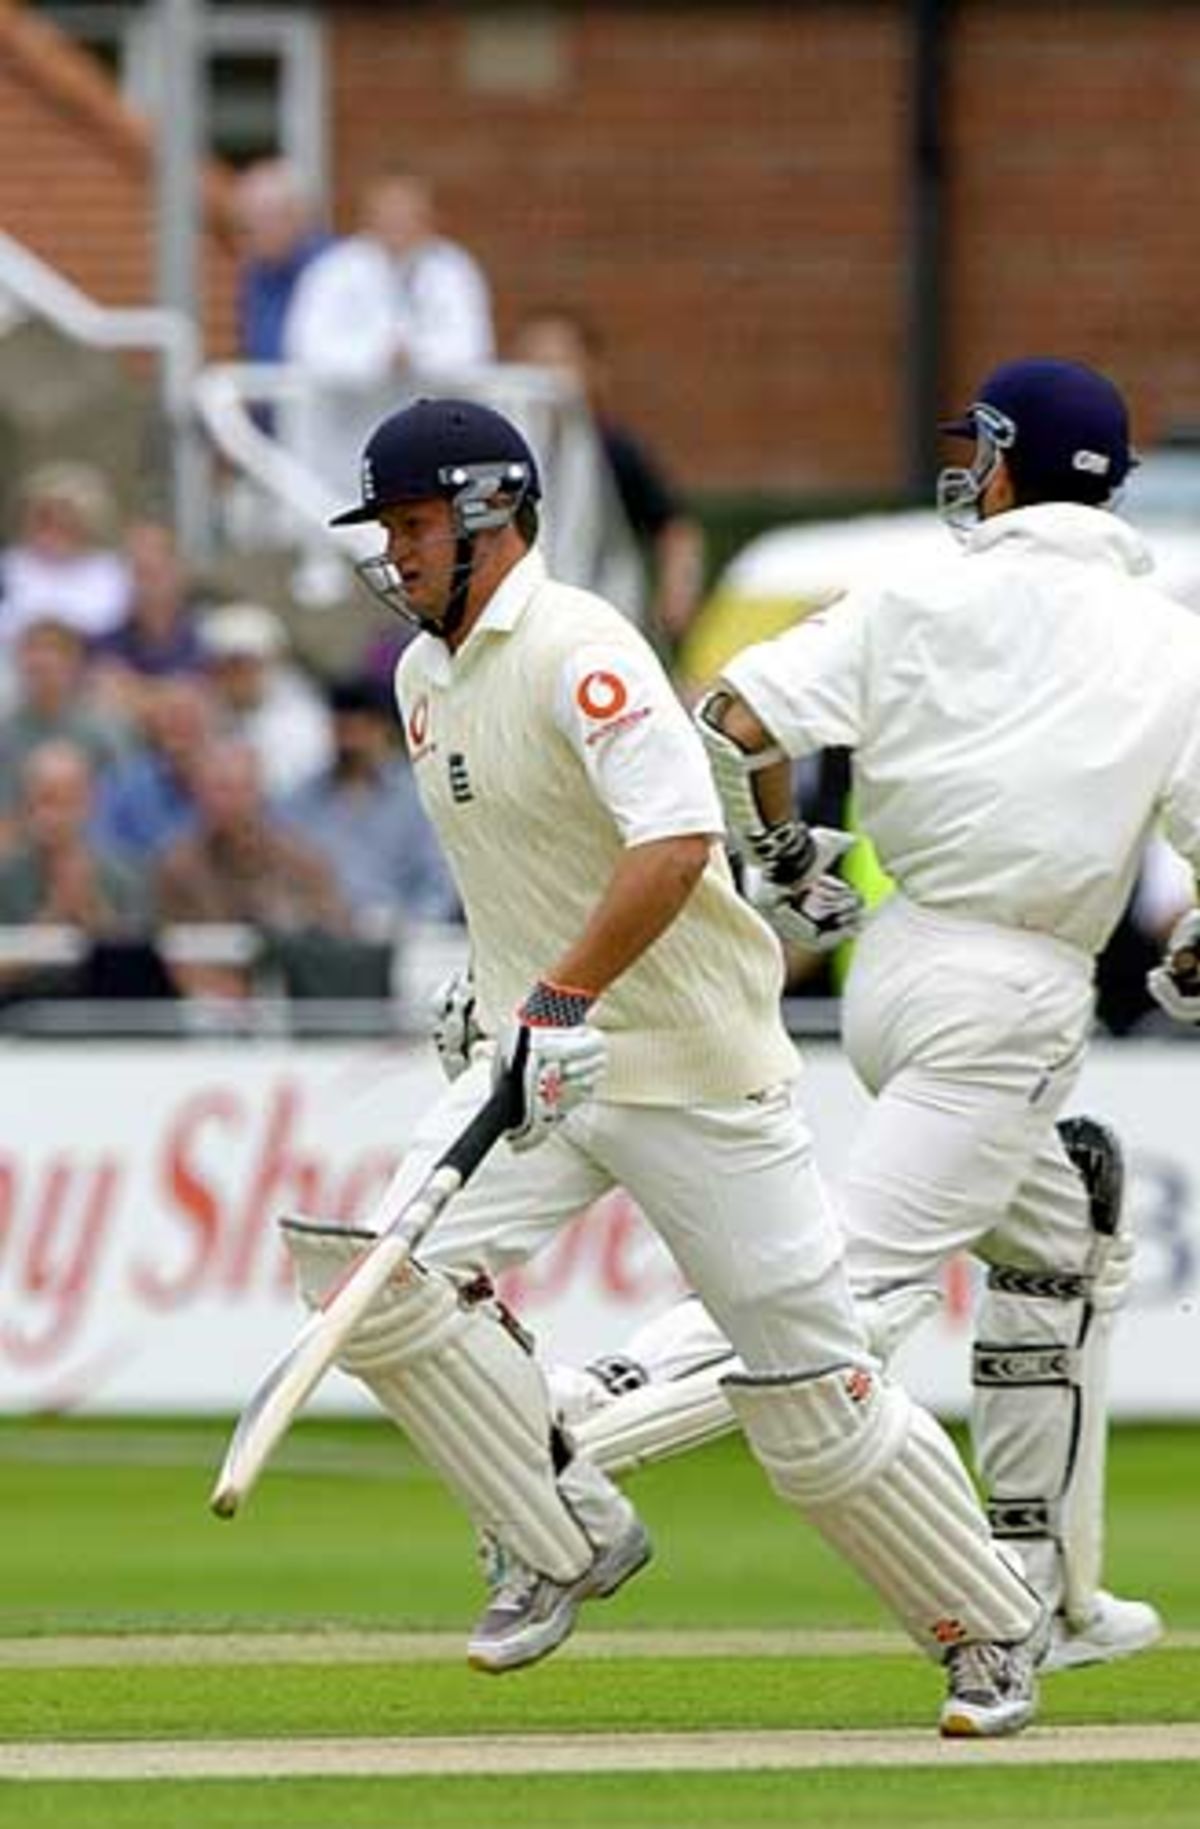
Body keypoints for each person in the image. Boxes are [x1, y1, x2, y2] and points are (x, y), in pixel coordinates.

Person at [276, 395, 1045, 1740]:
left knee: (810, 1394)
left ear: (487, 520)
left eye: (409, 528)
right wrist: (498, 986)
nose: (392, 557)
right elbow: (518, 864)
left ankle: (990, 1632)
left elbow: (678, 838)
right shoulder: (419, 679)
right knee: (376, 1282)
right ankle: (563, 1525)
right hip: (544, 1068)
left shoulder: (582, 648)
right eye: (386, 532)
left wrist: (567, 994)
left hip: (690, 1066)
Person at [548, 358, 1183, 1677]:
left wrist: (781, 849)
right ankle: (559, 1440)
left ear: (1008, 463)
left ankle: (1049, 1584)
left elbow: (729, 714)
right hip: (1011, 997)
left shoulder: (916, 589)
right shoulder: (1171, 634)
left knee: (1067, 1231)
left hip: (899, 974)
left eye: (982, 450)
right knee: (839, 1301)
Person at [282, 167, 495, 501]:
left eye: (409, 214)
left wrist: (416, 357)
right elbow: (308, 349)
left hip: (432, 439)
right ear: (368, 217)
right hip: (346, 437)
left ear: (430, 218)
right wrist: (378, 357)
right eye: (388, 213)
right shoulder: (333, 271)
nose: (399, 224)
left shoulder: (453, 270)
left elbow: (472, 350)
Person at [512, 309, 706, 651]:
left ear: (593, 372)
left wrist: (676, 595)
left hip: (601, 620)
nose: (544, 378)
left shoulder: (613, 450)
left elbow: (674, 530)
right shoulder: (504, 455)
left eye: (559, 362)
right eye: (531, 363)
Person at [279, 674, 458, 932]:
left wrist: (410, 927)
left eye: (359, 731)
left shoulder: (418, 798)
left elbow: (439, 881)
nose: (350, 743)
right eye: (342, 731)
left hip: (402, 942)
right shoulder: (299, 802)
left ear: (382, 731)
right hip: (318, 940)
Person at [197, 601, 333, 799]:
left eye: (245, 667)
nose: (236, 677)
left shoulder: (305, 724)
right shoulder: (200, 715)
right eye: (226, 667)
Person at [232, 158, 332, 368]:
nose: (253, 234)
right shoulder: (255, 272)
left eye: (264, 220)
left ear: (298, 216)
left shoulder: (337, 269)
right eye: (246, 224)